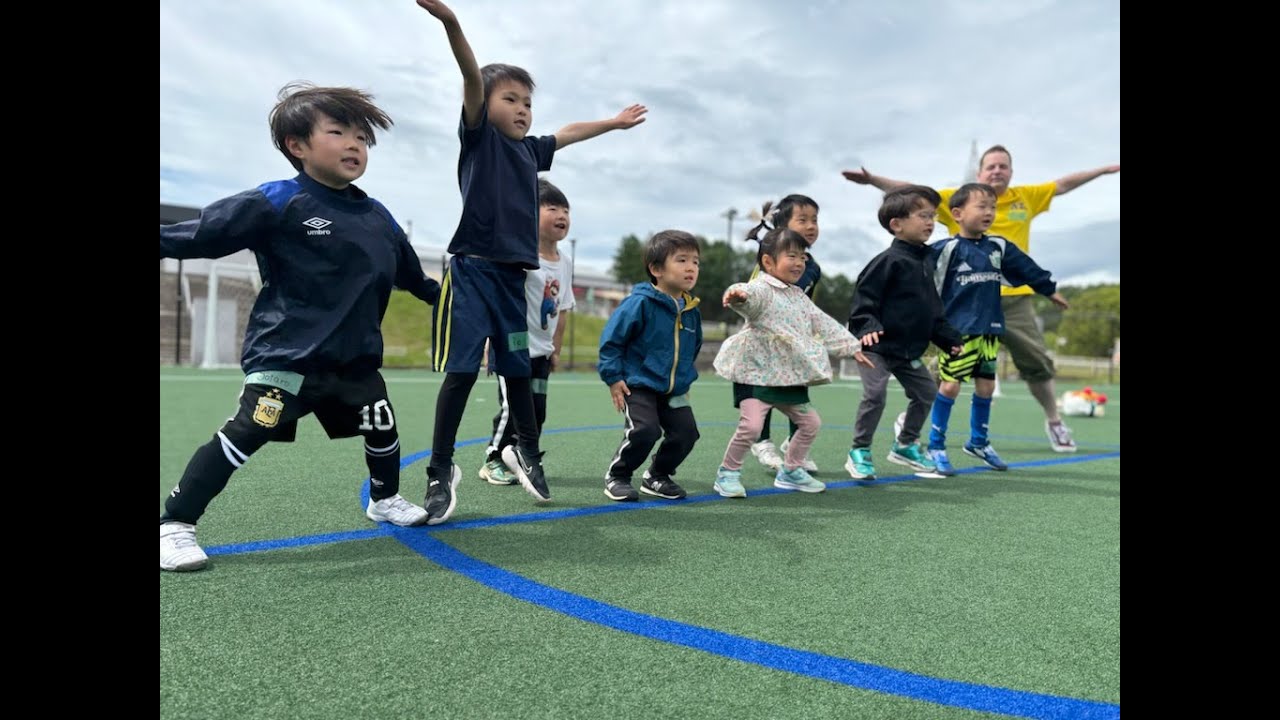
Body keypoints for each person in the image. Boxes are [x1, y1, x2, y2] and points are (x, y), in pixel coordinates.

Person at [159, 83, 441, 572]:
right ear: (298, 146)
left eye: (362, 137)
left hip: (354, 360)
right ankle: (175, 524)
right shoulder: (278, 200)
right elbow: (202, 233)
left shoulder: (378, 217)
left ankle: (385, 499)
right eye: (338, 132)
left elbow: (410, 273)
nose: (355, 144)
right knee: (247, 432)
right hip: (286, 356)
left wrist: (441, 295)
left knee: (382, 428)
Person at [417, 0, 647, 517]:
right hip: (472, 272)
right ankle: (439, 470)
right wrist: (452, 23)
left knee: (518, 371)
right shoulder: (479, 138)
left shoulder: (529, 151)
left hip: (510, 282)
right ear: (487, 103)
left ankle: (526, 451)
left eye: (528, 103)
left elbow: (566, 133)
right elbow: (471, 79)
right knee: (460, 374)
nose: (522, 109)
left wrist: (612, 123)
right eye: (511, 99)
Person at [842, 146, 1119, 452]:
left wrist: (1101, 171)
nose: (997, 171)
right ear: (979, 173)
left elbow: (1063, 184)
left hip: (1012, 300)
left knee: (1036, 360)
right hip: (962, 297)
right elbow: (913, 194)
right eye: (991, 166)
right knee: (947, 363)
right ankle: (915, 415)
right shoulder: (956, 199)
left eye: (1003, 166)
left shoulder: (1025, 197)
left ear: (1011, 173)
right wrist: (873, 181)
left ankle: (1054, 421)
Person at [713, 227, 873, 497]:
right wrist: (737, 295)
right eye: (792, 256)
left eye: (803, 257)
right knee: (751, 426)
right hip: (756, 371)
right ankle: (727, 473)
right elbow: (747, 294)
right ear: (768, 261)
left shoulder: (799, 296)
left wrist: (851, 346)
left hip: (788, 374)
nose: (799, 263)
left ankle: (791, 470)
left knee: (811, 423)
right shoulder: (763, 289)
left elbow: (824, 323)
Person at [925, 184, 1069, 476]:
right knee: (950, 386)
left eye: (992, 207)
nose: (989, 212)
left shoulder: (999, 247)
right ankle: (935, 445)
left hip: (990, 328)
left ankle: (978, 442)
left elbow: (1028, 268)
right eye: (981, 206)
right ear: (957, 213)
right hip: (957, 332)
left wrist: (1049, 289)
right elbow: (911, 275)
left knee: (987, 386)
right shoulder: (946, 249)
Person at [845, 185, 963, 480]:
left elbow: (932, 311)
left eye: (933, 216)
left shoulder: (924, 263)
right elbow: (864, 300)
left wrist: (949, 339)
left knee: (926, 392)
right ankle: (859, 450)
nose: (930, 222)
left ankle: (905, 444)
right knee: (875, 395)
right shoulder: (888, 261)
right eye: (923, 215)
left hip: (907, 350)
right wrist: (868, 326)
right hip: (876, 348)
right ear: (896, 224)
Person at [480, 179, 575, 485]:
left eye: (566, 210)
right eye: (552, 208)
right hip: (513, 346)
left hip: (542, 352)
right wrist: (488, 342)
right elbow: (497, 302)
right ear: (531, 214)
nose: (561, 215)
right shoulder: (520, 257)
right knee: (512, 407)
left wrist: (555, 349)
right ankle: (493, 458)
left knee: (538, 409)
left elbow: (561, 310)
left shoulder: (566, 262)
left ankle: (520, 455)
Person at [598, 231, 703, 502]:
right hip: (639, 384)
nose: (691, 267)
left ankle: (657, 475)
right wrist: (613, 377)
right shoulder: (640, 303)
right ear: (656, 269)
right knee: (645, 430)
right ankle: (618, 475)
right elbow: (612, 340)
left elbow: (694, 346)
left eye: (696, 262)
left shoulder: (691, 310)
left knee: (686, 433)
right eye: (682, 260)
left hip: (674, 388)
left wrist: (682, 376)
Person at [738, 195, 824, 473]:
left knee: (796, 390)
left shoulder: (812, 267)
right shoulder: (770, 262)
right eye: (803, 219)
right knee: (763, 391)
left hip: (794, 342)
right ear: (781, 227)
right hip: (764, 341)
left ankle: (793, 443)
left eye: (815, 220)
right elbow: (753, 296)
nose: (811, 226)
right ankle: (761, 441)